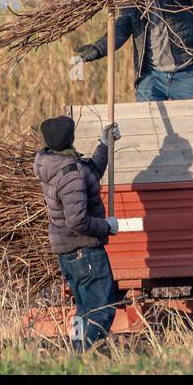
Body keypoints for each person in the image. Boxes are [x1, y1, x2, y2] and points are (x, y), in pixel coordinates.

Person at [34, 115, 121, 351]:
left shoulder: (54, 163)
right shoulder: (70, 174)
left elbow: (89, 174)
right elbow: (77, 220)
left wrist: (104, 145)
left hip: (71, 253)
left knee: (85, 310)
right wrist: (107, 226)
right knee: (101, 309)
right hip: (85, 250)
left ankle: (78, 353)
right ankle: (84, 357)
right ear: (70, 138)